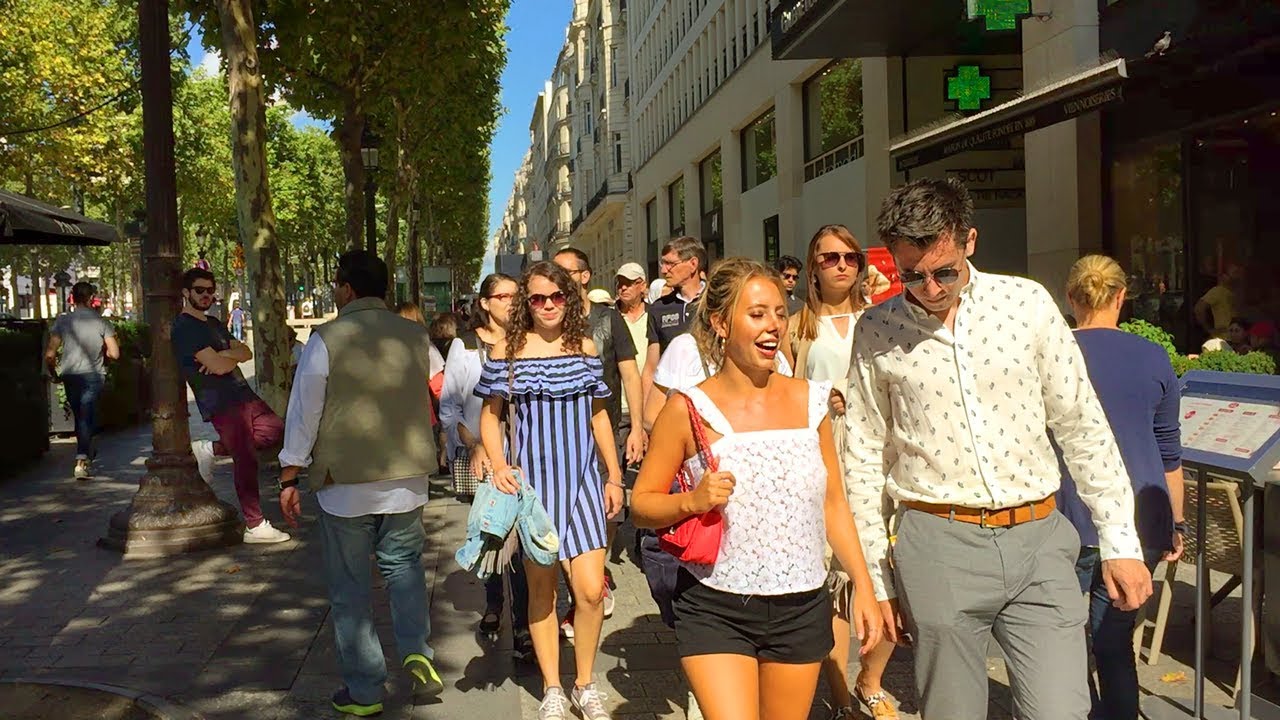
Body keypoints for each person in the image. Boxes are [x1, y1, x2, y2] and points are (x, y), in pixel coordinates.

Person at [843, 178, 1152, 719]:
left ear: (969, 241)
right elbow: (864, 458)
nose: (929, 288)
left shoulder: (1026, 304)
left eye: (943, 272)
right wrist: (875, 578)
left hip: (1040, 540)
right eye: (911, 275)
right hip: (937, 543)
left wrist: (1120, 541)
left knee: (1060, 711)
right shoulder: (877, 330)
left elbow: (1082, 426)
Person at [632, 257, 882, 720]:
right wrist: (692, 499)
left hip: (802, 604)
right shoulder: (688, 409)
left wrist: (863, 585)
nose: (773, 326)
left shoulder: (812, 402)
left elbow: (833, 502)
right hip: (715, 607)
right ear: (720, 323)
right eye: (757, 313)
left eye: (780, 313)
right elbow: (641, 505)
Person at [277, 250, 445, 716]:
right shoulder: (415, 335)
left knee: (350, 587)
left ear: (347, 288)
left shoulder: (326, 337)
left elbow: (305, 410)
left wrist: (290, 471)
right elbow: (440, 385)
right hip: (407, 476)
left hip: (344, 481)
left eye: (336, 284)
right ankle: (416, 649)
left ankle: (365, 690)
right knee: (404, 566)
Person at [474, 261, 623, 720]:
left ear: (569, 298)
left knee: (591, 592)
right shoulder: (507, 350)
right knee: (542, 594)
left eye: (555, 297)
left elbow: (600, 416)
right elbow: (490, 416)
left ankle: (585, 683)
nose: (547, 306)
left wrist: (614, 476)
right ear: (526, 303)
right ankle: (553, 688)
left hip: (583, 484)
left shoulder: (585, 346)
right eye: (536, 298)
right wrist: (499, 465)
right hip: (534, 491)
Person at [1059, 254, 1186, 720]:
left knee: (1063, 639)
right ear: (1121, 297)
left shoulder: (1055, 353)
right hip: (1140, 517)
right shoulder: (1152, 356)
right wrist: (1177, 521)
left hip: (1067, 513)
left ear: (1071, 298)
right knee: (1114, 641)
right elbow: (1168, 450)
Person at [786, 225, 898, 720]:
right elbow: (781, 394)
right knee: (835, 582)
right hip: (824, 456)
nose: (841, 266)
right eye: (829, 258)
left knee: (888, 574)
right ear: (813, 266)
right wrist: (815, 401)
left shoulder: (885, 316)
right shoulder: (796, 325)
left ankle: (870, 678)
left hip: (883, 456)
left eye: (850, 257)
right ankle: (837, 691)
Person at [554, 248, 646, 628]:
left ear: (586, 276)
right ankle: (584, 589)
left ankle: (596, 570)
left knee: (607, 507)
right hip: (560, 438)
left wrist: (638, 425)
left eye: (567, 272)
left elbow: (629, 373)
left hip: (605, 429)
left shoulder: (609, 320)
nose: (559, 279)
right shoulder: (548, 320)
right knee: (563, 516)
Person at [442, 274, 533, 657]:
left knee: (524, 540)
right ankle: (495, 604)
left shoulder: (531, 342)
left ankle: (527, 621)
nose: (511, 302)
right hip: (482, 456)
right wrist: (475, 444)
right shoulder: (464, 347)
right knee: (493, 533)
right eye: (502, 296)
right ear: (484, 302)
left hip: (525, 456)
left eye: (516, 295)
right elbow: (449, 407)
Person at [172, 267, 289, 544]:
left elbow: (244, 352)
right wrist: (224, 358)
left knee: (276, 430)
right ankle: (255, 524)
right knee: (245, 456)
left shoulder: (213, 324)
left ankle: (210, 449)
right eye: (200, 290)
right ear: (186, 293)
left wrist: (224, 354)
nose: (206, 295)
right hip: (220, 400)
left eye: (210, 291)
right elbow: (218, 367)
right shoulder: (184, 327)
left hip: (242, 393)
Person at [45, 281, 120, 480]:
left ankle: (83, 455)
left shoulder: (63, 321)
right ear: (90, 298)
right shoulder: (102, 322)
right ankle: (83, 457)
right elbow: (115, 353)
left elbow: (50, 354)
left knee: (81, 415)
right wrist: (104, 355)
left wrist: (53, 372)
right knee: (86, 415)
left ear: (72, 298)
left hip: (70, 375)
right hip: (94, 375)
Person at [640, 237, 708, 403]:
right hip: (673, 405)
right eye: (662, 264)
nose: (664, 270)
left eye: (670, 263)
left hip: (715, 402)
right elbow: (650, 368)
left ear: (693, 264)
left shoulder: (717, 301)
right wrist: (645, 419)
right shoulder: (659, 308)